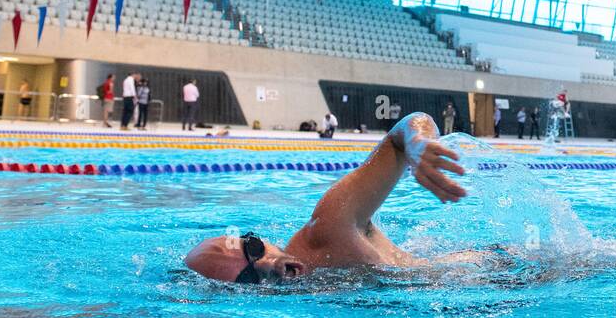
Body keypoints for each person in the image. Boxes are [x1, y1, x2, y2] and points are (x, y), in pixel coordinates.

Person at [185, 113, 474, 283]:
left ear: (263, 239)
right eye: (249, 279)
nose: (268, 265)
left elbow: (406, 129)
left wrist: (418, 144)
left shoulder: (327, 229)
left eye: (256, 249)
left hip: (495, 271)